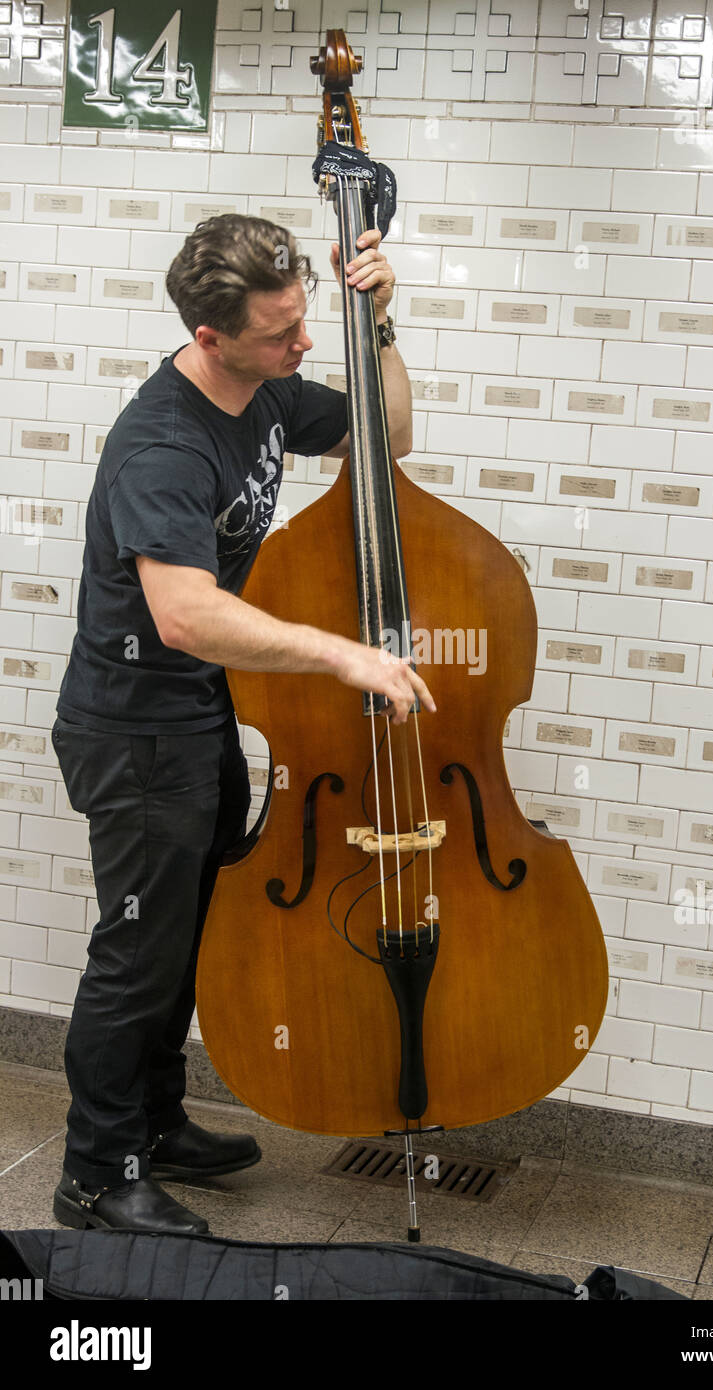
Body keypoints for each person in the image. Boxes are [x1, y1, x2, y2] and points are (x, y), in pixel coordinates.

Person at [50, 213, 435, 1235]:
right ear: (209, 335)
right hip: (133, 731)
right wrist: (343, 652)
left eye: (304, 323)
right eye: (280, 335)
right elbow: (186, 612)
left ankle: (157, 1122)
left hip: (193, 714)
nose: (302, 346)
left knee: (183, 943)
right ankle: (95, 1172)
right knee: (136, 955)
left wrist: (380, 328)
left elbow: (386, 433)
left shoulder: (263, 388)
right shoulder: (162, 442)